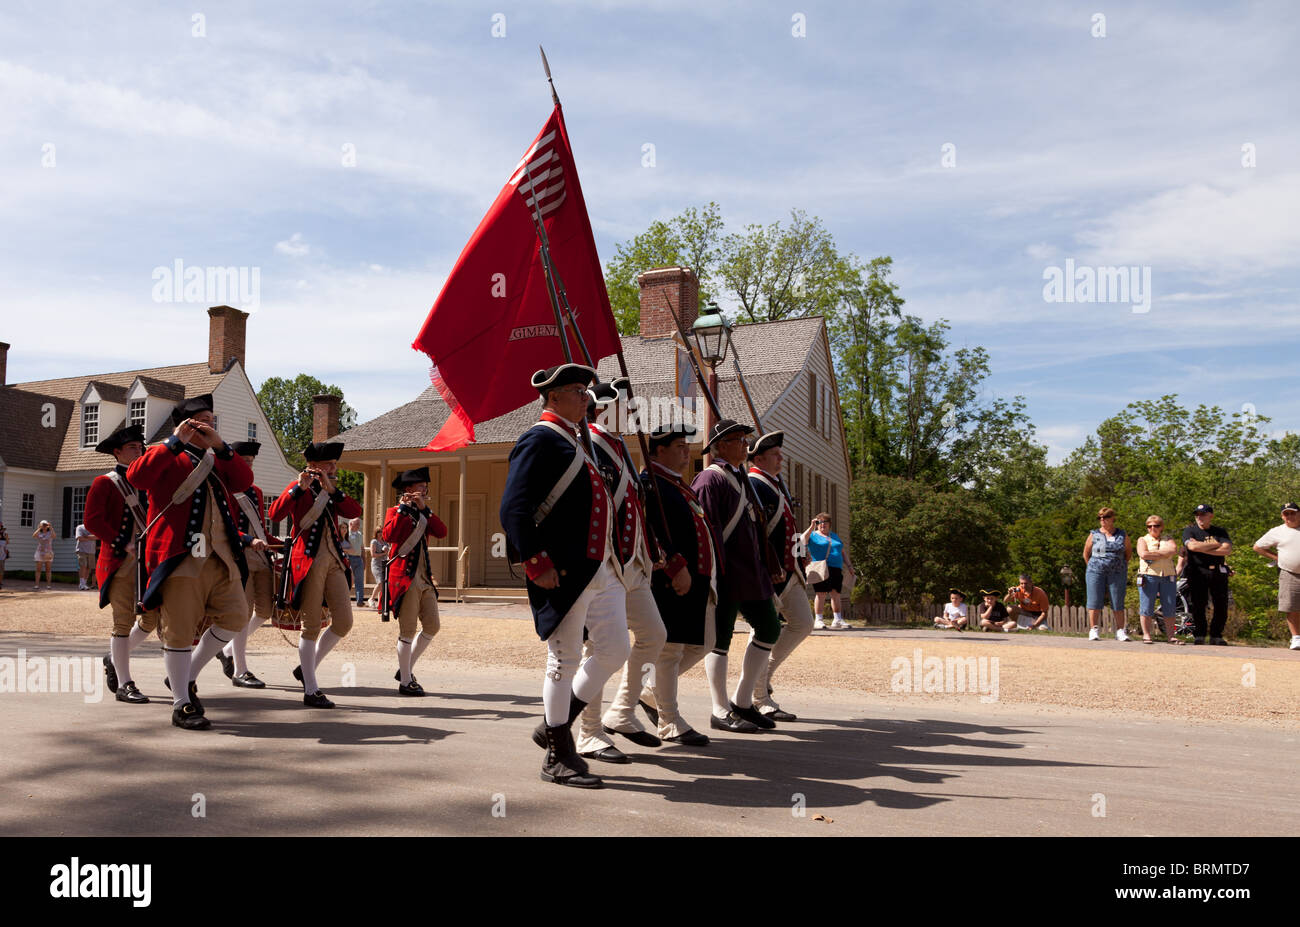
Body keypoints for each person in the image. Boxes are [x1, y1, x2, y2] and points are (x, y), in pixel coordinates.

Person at [499, 363, 630, 789]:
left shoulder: (581, 440)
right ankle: (558, 751)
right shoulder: (539, 439)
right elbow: (513, 509)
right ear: (553, 397)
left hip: (601, 566)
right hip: (564, 569)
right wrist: (537, 562)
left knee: (615, 650)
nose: (586, 398)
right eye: (578, 391)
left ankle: (554, 725)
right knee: (564, 659)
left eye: (587, 391)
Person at [127, 394, 253, 730]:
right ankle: (182, 703)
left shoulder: (218, 460)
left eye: (212, 419)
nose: (209, 424)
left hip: (221, 556)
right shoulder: (165, 453)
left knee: (237, 616)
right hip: (181, 556)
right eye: (202, 420)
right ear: (185, 424)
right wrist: (174, 441)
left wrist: (222, 446)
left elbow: (243, 482)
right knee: (179, 632)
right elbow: (137, 477)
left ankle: (186, 676)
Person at [573, 379, 668, 763]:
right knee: (600, 646)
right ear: (600, 409)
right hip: (606, 563)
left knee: (653, 635)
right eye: (623, 406)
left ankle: (623, 711)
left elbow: (632, 506)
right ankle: (588, 732)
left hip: (633, 562)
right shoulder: (591, 444)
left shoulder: (618, 447)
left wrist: (651, 548)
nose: (630, 412)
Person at [694, 419, 785, 734]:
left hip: (751, 569)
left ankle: (743, 702)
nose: (746, 444)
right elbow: (705, 531)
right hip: (726, 572)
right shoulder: (710, 479)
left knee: (770, 627)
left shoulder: (742, 477)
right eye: (738, 440)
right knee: (719, 640)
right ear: (721, 446)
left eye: (746, 439)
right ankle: (720, 709)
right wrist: (712, 574)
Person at [268, 441, 362, 707]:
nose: (334, 468)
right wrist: (299, 488)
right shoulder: (298, 486)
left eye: (334, 464)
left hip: (333, 559)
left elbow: (355, 511)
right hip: (307, 562)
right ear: (314, 466)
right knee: (310, 627)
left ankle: (306, 668)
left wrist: (333, 490)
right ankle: (311, 688)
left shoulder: (331, 491)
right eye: (329, 464)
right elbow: (276, 512)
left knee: (343, 622)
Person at [639, 423, 714, 747]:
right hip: (670, 579)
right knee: (669, 651)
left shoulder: (676, 485)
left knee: (702, 644)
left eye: (687, 445)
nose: (686, 451)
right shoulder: (651, 483)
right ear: (658, 451)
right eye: (679, 446)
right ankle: (669, 722)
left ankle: (646, 691)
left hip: (695, 576)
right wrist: (674, 566)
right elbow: (652, 531)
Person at [84, 423, 159, 704]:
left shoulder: (148, 482)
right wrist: (121, 542)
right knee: (123, 621)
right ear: (117, 452)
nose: (138, 452)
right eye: (132, 448)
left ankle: (114, 656)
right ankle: (125, 683)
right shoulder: (105, 482)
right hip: (121, 560)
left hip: (147, 562)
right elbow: (92, 520)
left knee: (152, 618)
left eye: (140, 448)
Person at [748, 430, 816, 720]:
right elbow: (754, 534)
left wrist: (801, 556)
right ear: (759, 458)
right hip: (768, 573)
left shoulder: (775, 485)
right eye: (775, 454)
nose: (781, 458)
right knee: (763, 631)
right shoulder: (754, 485)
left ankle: (764, 678)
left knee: (803, 623)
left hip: (790, 570)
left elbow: (788, 529)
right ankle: (759, 697)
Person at [217, 441, 278, 688]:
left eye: (251, 462)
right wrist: (248, 540)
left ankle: (229, 649)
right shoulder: (225, 490)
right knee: (243, 614)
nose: (249, 465)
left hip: (260, 555)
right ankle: (241, 670)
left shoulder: (257, 491)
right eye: (245, 461)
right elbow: (226, 528)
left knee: (264, 612)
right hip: (239, 555)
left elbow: (260, 527)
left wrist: (283, 543)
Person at [382, 467, 448, 696]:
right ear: (408, 489)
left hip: (424, 578)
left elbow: (442, 532)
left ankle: (405, 669)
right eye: (421, 486)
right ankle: (405, 681)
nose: (425, 489)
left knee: (432, 626)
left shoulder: (423, 514)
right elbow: (389, 536)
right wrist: (403, 508)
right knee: (407, 630)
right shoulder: (394, 511)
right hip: (404, 578)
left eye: (425, 487)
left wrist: (424, 510)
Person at [1251, 502, 1300, 651]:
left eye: (1293, 513)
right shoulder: (1277, 531)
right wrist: (1276, 557)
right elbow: (1257, 547)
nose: (1290, 516)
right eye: (1286, 514)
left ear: (1299, 514)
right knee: (1291, 606)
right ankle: (1296, 638)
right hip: (1288, 572)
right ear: (1282, 516)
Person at [1182, 504, 1231, 645]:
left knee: (1221, 604)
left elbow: (1227, 550)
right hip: (1197, 571)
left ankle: (1216, 635)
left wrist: (1201, 547)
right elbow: (1191, 546)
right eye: (1197, 514)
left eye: (1203, 514)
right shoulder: (1189, 531)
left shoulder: (1220, 531)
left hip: (1217, 571)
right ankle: (1200, 634)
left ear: (1211, 515)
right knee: (1198, 604)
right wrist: (1215, 545)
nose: (1199, 517)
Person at [1084, 507, 1132, 641]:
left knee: (1117, 601)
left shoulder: (1122, 534)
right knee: (1094, 600)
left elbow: (1128, 553)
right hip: (1095, 571)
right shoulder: (1094, 534)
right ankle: (1094, 629)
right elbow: (1086, 553)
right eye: (1100, 517)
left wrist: (1119, 565)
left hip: (1117, 572)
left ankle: (1120, 631)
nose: (1102, 520)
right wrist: (1093, 566)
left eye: (1105, 517)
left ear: (1112, 518)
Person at [802, 512, 856, 630]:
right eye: (820, 523)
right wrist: (811, 527)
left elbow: (842, 551)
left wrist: (850, 566)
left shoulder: (834, 536)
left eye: (825, 523)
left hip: (836, 568)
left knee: (836, 594)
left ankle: (837, 619)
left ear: (829, 525)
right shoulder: (813, 535)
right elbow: (802, 540)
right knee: (821, 593)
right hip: (821, 567)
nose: (822, 525)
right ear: (817, 525)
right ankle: (818, 620)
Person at [1136, 514, 1181, 644]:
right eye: (1149, 526)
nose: (1152, 528)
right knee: (1147, 606)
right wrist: (1163, 553)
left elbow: (1173, 550)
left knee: (1169, 606)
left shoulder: (1168, 539)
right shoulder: (1142, 540)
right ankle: (1146, 635)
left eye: (1156, 526)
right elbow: (1143, 554)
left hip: (1168, 575)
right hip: (1149, 575)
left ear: (1162, 527)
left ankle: (1171, 636)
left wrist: (1154, 555)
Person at [344, 517, 366, 607]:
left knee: (360, 580)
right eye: (357, 524)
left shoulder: (360, 534)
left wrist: (364, 560)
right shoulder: (346, 534)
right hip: (349, 559)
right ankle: (345, 600)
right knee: (348, 580)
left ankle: (360, 601)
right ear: (351, 524)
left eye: (359, 524)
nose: (358, 526)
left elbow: (362, 548)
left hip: (358, 559)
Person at [368, 527, 387, 607]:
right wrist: (383, 553)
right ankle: (371, 598)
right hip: (376, 565)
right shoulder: (374, 541)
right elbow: (373, 555)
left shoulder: (385, 542)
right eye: (379, 531)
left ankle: (380, 603)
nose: (380, 533)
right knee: (380, 582)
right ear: (376, 532)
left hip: (384, 564)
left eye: (382, 531)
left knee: (383, 584)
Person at [32, 520, 55, 589]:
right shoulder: (39, 533)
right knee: (38, 569)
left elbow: (54, 536)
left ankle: (48, 585)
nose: (44, 526)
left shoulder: (50, 532)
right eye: (43, 525)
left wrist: (50, 527)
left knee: (48, 570)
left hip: (48, 552)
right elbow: (34, 535)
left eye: (45, 525)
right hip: (40, 552)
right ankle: (36, 585)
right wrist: (39, 528)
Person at [74, 523, 97, 591]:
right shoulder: (80, 527)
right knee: (83, 565)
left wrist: (86, 537)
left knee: (88, 567)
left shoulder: (94, 527)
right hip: (81, 550)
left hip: (91, 550)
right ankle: (81, 584)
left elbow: (98, 537)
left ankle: (84, 584)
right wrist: (91, 537)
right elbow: (79, 538)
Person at [0, 522, 8, 590]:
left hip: (2, 555)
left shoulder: (4, 536)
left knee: (2, 570)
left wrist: (6, 537)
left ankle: (0, 582)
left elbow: (7, 543)